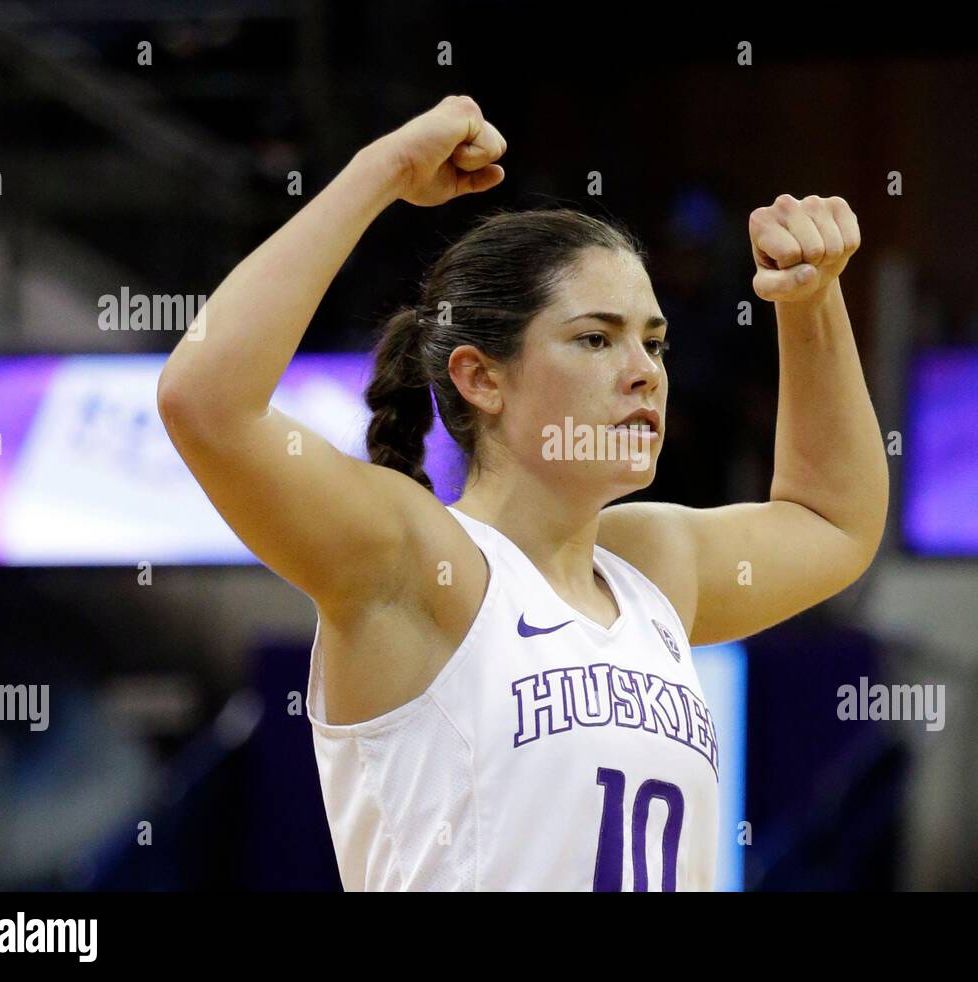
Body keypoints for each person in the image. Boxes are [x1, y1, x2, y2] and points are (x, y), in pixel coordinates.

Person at [157, 94, 888, 890]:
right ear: (481, 377)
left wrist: (811, 303)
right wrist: (380, 173)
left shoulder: (652, 569)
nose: (644, 371)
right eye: (595, 338)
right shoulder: (421, 562)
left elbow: (833, 521)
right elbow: (206, 402)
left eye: (654, 341)